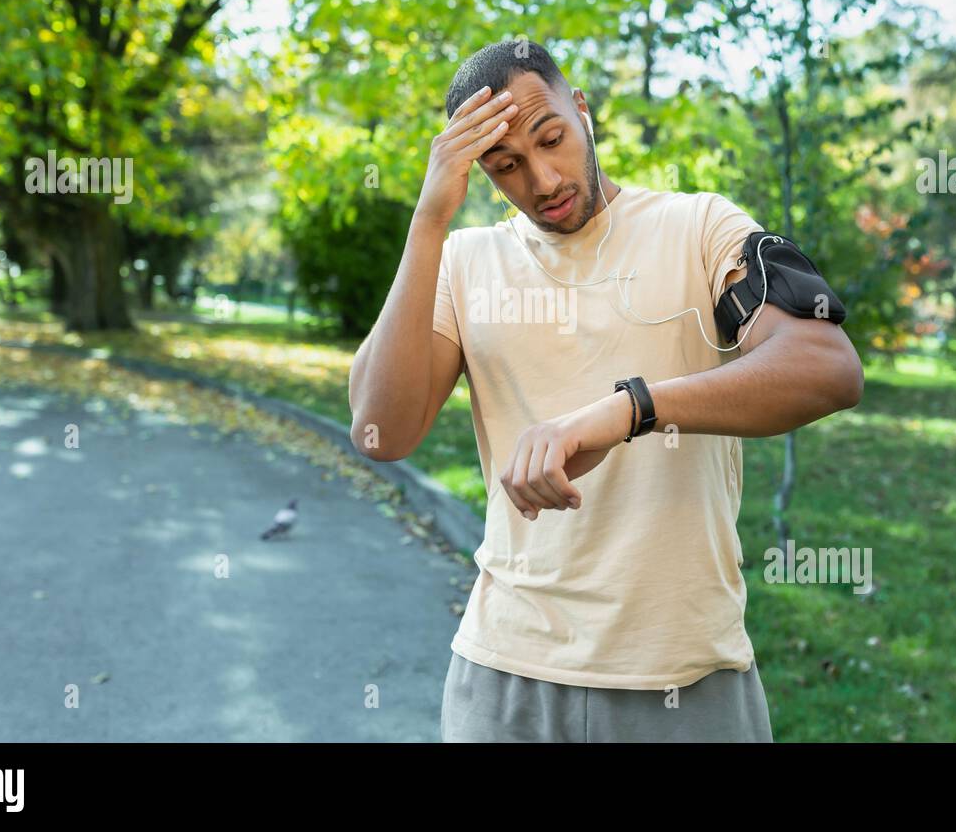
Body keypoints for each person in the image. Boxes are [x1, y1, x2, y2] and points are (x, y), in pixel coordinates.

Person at [348, 38, 863, 742]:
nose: (543, 179)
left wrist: (628, 410)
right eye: (505, 167)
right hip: (505, 678)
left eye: (552, 138)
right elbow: (383, 430)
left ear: (581, 110)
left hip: (684, 677)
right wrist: (429, 218)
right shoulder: (465, 262)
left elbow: (827, 366)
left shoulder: (700, 227)